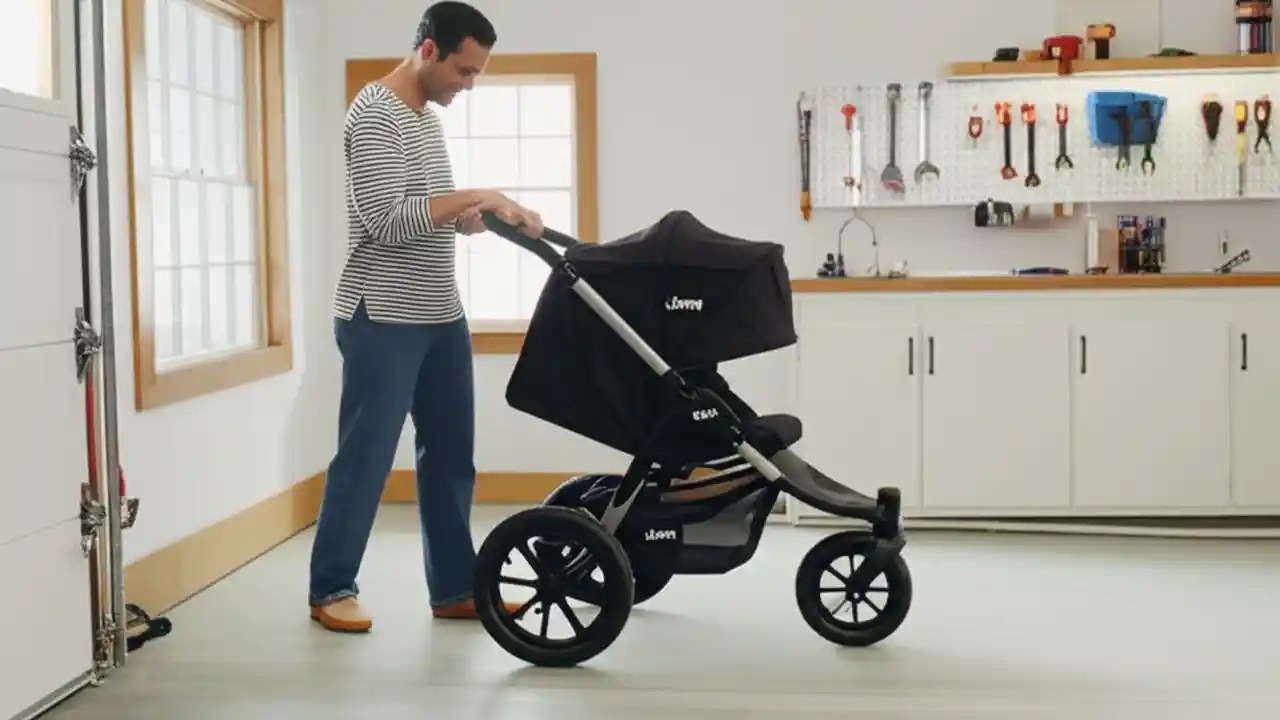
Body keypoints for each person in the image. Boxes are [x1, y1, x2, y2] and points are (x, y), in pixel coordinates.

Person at [309, 1, 540, 633]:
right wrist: (477, 195)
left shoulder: (424, 118)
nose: (468, 84)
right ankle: (330, 589)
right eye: (464, 71)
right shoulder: (375, 114)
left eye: (478, 74)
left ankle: (454, 590)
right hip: (382, 315)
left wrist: (480, 218)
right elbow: (386, 220)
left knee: (450, 457)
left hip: (440, 313)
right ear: (429, 51)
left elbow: (428, 213)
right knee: (366, 458)